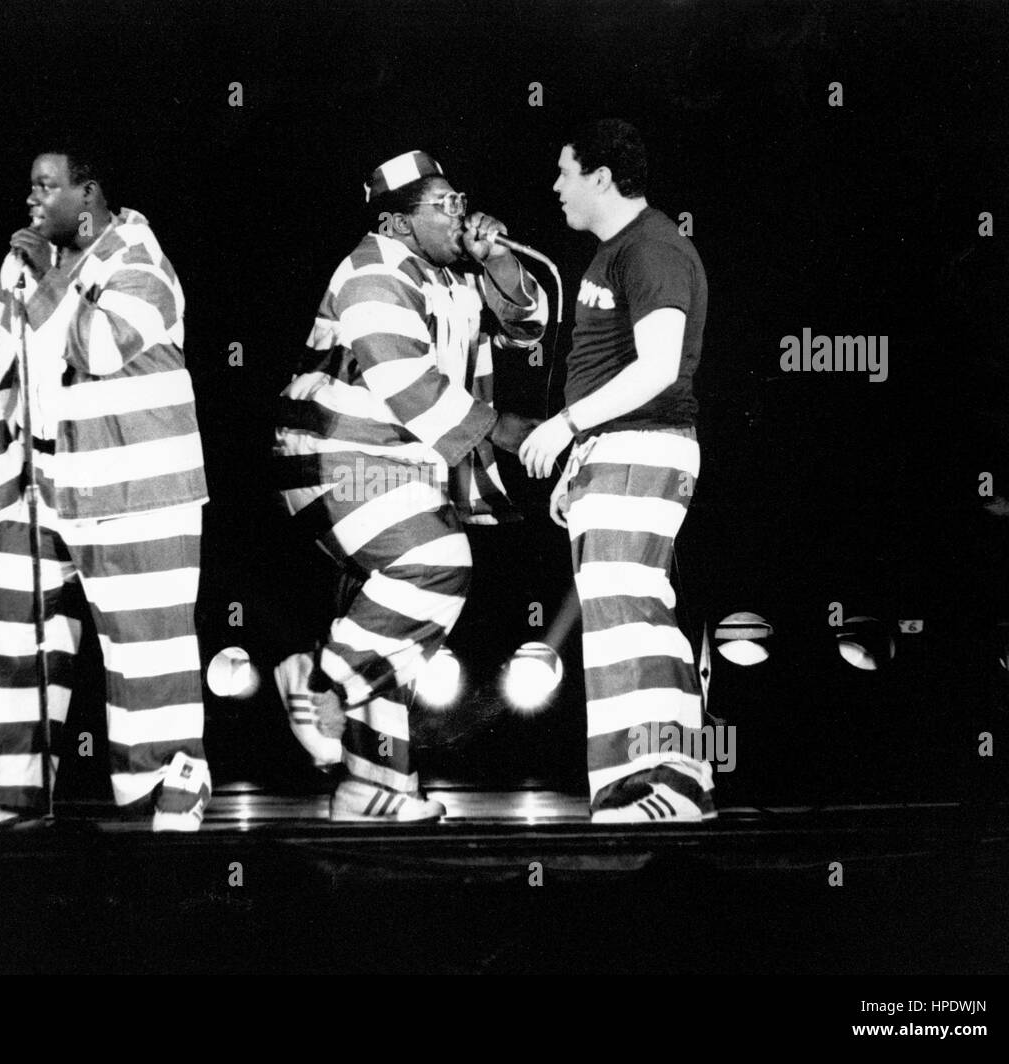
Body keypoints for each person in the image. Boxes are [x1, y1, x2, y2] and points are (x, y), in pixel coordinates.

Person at [0, 149, 211, 832]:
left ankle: (175, 789)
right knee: (16, 638)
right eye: (28, 183)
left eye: (47, 186)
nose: (32, 197)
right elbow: (12, 360)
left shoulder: (141, 263)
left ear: (86, 194)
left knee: (146, 647)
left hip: (135, 483)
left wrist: (51, 276)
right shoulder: (26, 264)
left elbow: (98, 347)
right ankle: (5, 791)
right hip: (41, 478)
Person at [274, 150, 546, 819]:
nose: (460, 213)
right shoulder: (371, 272)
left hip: (401, 463)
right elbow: (410, 385)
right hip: (335, 457)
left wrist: (497, 260)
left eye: (460, 199)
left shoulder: (449, 275)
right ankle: (316, 683)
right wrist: (512, 433)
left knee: (391, 629)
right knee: (434, 564)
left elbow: (528, 323)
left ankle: (374, 788)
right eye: (443, 205)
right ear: (396, 222)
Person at [518, 120, 715, 823]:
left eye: (565, 172)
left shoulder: (653, 245)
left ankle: (674, 784)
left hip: (646, 445)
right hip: (616, 450)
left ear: (602, 176)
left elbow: (659, 368)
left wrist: (568, 426)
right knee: (617, 612)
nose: (555, 187)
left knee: (633, 607)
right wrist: (582, 456)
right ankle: (634, 785)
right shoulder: (616, 253)